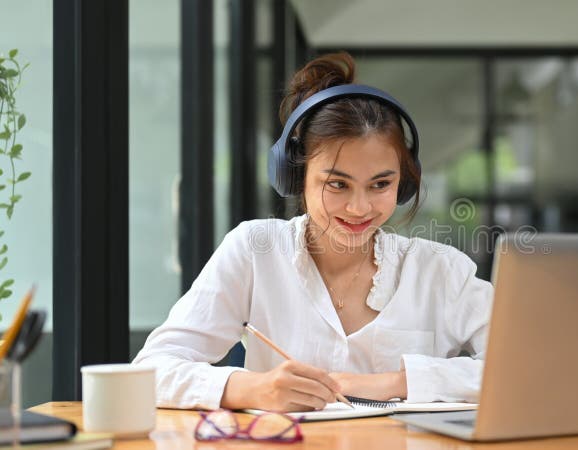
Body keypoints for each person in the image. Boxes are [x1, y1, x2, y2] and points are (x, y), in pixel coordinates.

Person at [132, 52, 493, 412]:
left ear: (404, 182)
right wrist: (252, 388)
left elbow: (532, 365)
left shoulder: (440, 270)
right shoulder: (255, 251)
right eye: (338, 184)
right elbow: (150, 370)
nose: (359, 207)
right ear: (295, 176)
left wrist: (395, 382)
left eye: (380, 184)